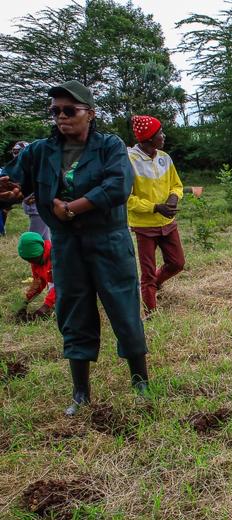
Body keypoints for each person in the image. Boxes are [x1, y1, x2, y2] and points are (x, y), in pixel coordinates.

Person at [0, 80, 149, 416]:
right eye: (55, 111)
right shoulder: (39, 150)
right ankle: (80, 392)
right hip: (66, 244)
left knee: (123, 306)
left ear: (90, 113)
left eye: (70, 110)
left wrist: (72, 207)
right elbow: (14, 178)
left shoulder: (109, 146)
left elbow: (117, 185)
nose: (62, 117)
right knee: (72, 310)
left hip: (108, 239)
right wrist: (9, 191)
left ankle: (140, 381)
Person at [127, 115, 185, 314]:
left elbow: (177, 185)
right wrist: (154, 207)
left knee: (177, 263)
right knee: (148, 273)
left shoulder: (164, 157)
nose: (164, 136)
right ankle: (151, 312)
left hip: (168, 222)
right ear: (149, 138)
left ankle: (156, 285)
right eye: (160, 133)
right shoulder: (129, 161)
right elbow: (126, 198)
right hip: (145, 227)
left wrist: (173, 199)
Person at [11, 141, 50, 241]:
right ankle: (50, 256)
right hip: (33, 209)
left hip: (39, 208)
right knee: (44, 240)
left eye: (18, 151)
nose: (15, 154)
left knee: (31, 241)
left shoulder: (37, 167)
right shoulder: (20, 168)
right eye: (14, 151)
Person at [15, 231, 55, 321]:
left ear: (41, 252)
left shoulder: (57, 258)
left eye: (33, 259)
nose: (31, 262)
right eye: (28, 260)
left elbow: (62, 286)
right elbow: (38, 282)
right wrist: (25, 302)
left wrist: (45, 307)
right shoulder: (36, 262)